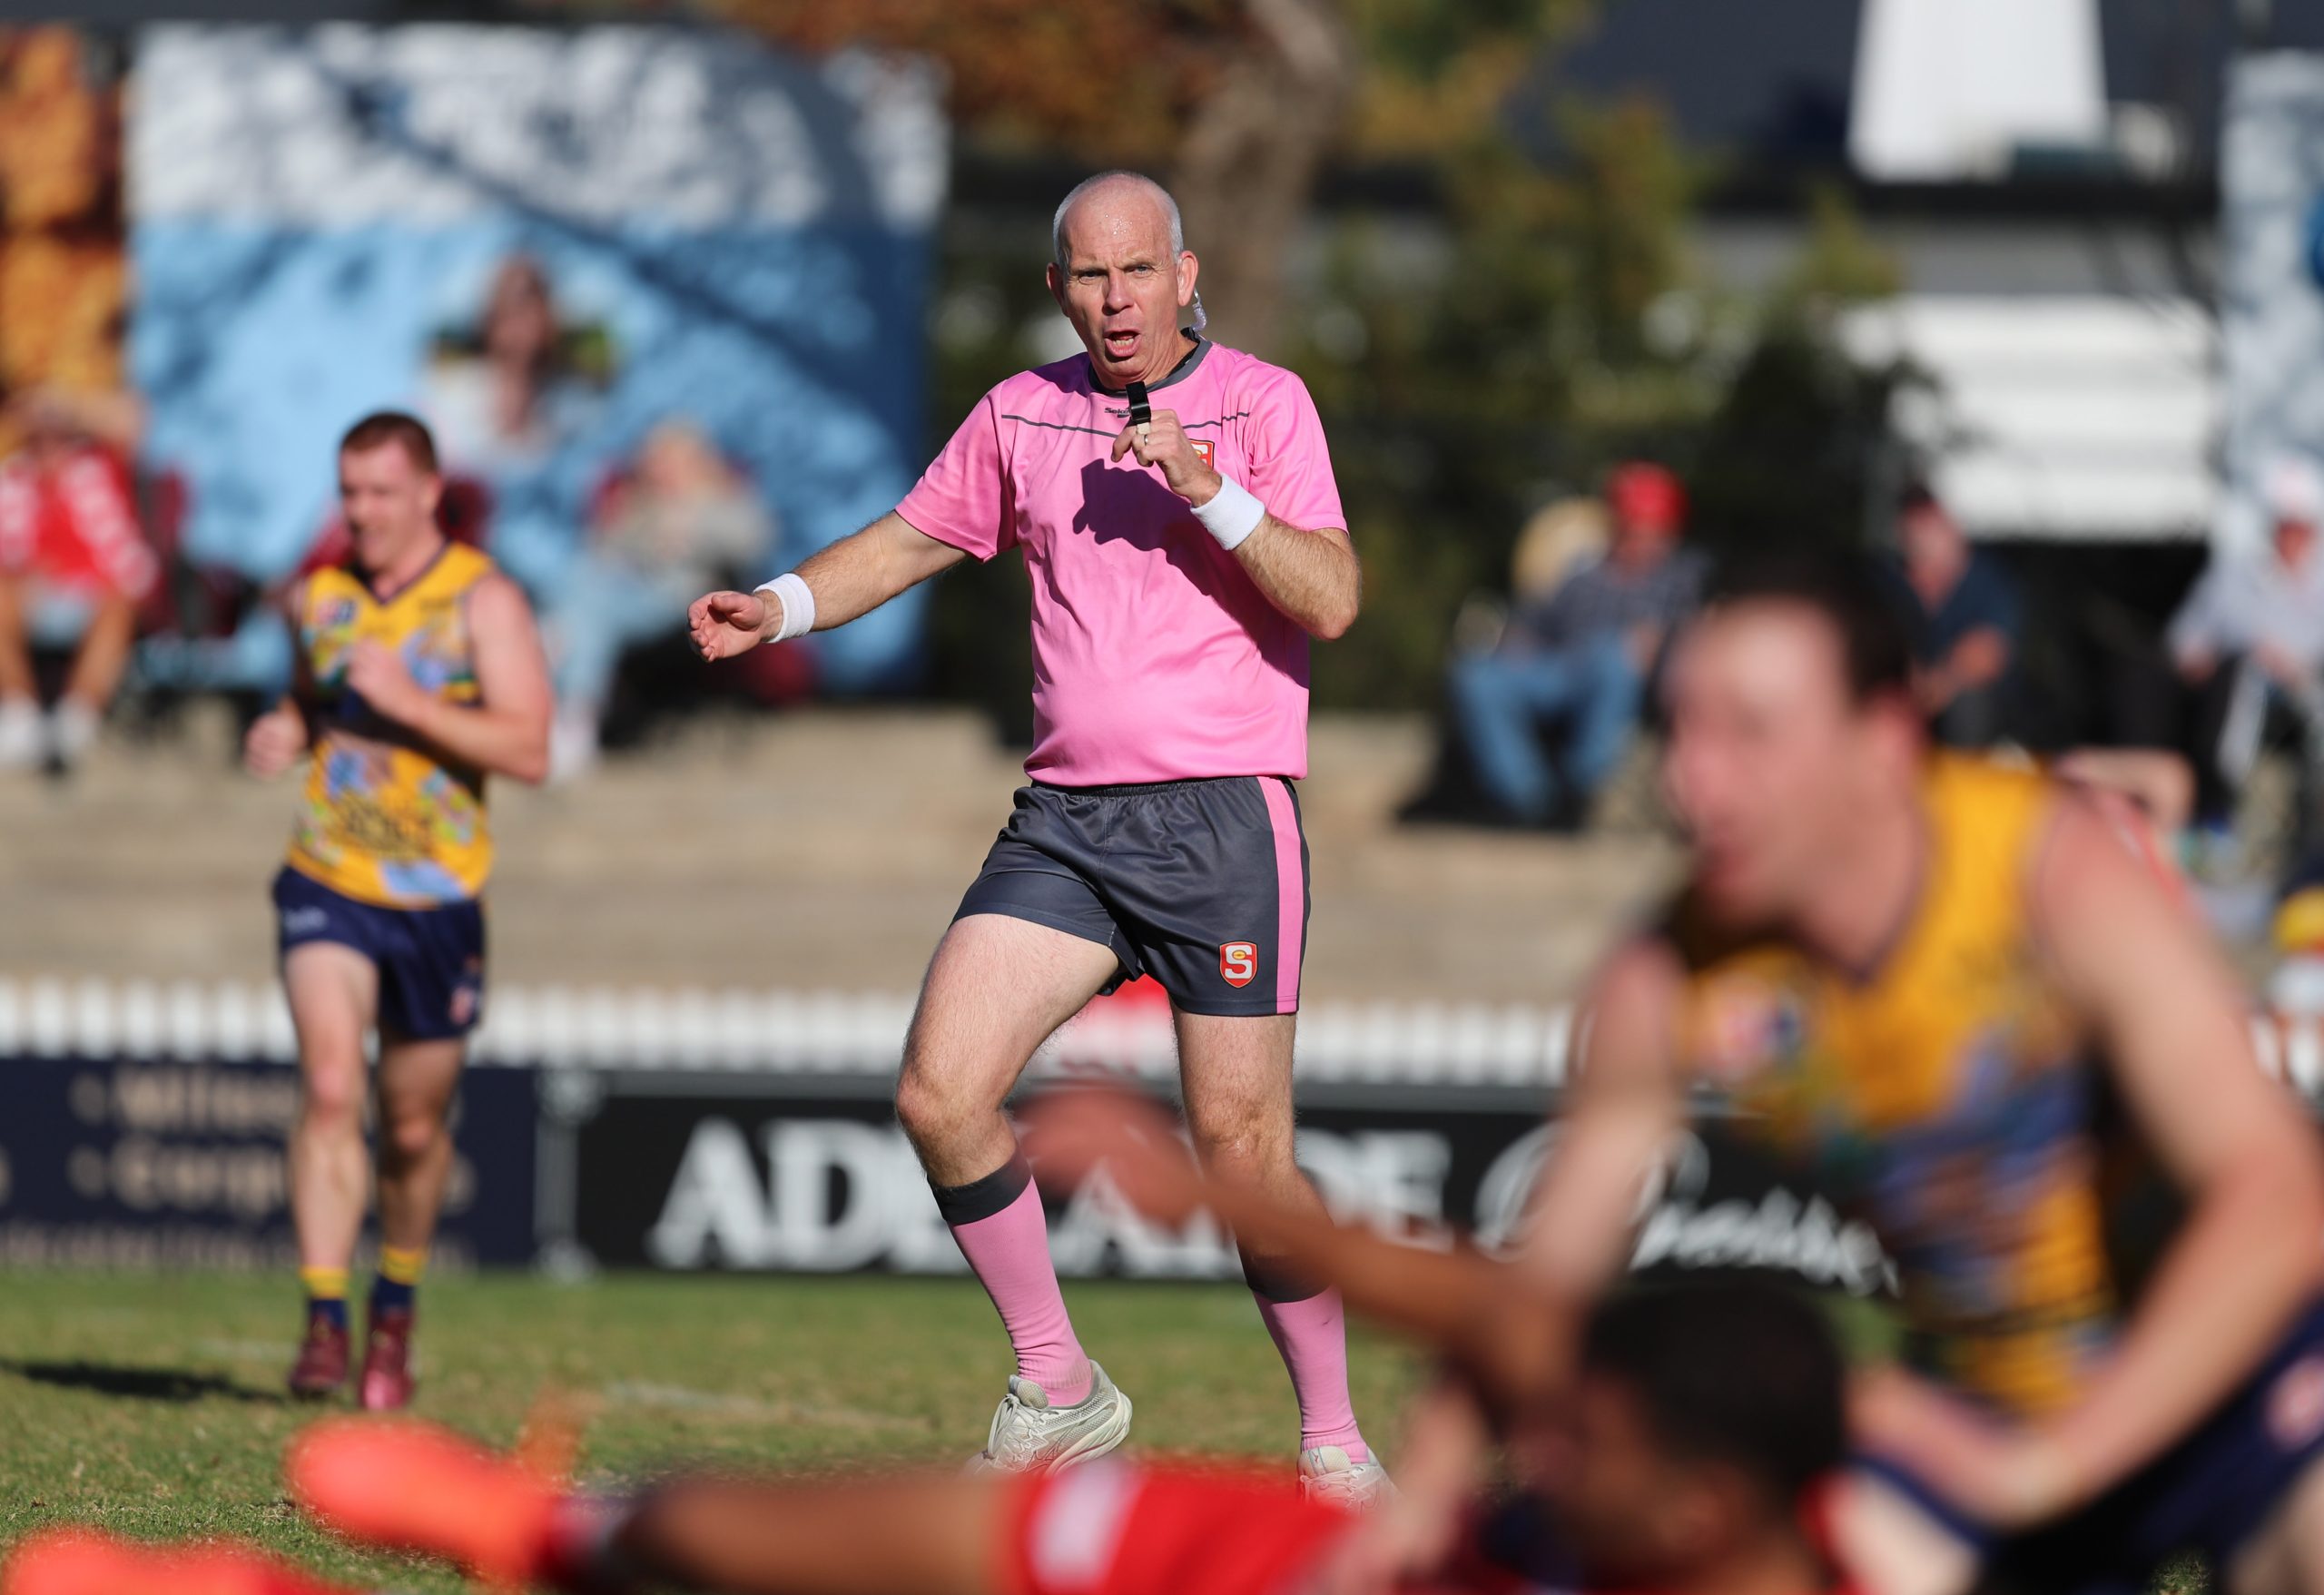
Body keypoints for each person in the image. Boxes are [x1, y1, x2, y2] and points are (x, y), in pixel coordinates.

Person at [685, 170, 1383, 1500]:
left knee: (1243, 1153)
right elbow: (908, 539)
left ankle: (1336, 1444)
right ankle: (1058, 1380)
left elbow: (1334, 598)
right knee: (940, 1092)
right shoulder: (1022, 410)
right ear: (1058, 288)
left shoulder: (1263, 402)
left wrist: (1210, 491)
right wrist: (777, 605)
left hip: (1225, 816)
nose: (1115, 301)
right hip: (1067, 823)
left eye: (1138, 272)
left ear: (1186, 276)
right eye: (1088, 276)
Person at [1522, 555, 2324, 1594]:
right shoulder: (1669, 971)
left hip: (2238, 1367)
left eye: (1747, 733)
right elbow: (1535, 1292)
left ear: (1883, 737)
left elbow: (2279, 1196)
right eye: (1675, 727)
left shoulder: (2044, 860)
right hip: (1979, 1412)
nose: (1690, 779)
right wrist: (1432, 1493)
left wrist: (2052, 1464)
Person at [0, 1274, 1855, 1595]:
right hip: (1208, 1549)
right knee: (731, 1535)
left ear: (1694, 1498)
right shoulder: (1846, 1509)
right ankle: (549, 1531)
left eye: (1570, 1444)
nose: (1528, 1457)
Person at [241, 410, 551, 1411]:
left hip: (438, 897)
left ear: (427, 491)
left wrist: (412, 703)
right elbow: (313, 699)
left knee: (412, 1127)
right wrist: (286, 727)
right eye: (348, 492)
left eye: (379, 491)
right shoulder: (319, 599)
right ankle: (325, 1316)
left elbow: (530, 748)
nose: (360, 512)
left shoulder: (483, 599)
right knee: (331, 1084)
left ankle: (395, 1307)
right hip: (328, 875)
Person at [1447, 462, 1702, 829]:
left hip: (1621, 677)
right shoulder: (1582, 574)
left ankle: (1579, 791)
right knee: (1477, 676)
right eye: (1631, 530)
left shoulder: (1685, 580)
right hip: (1561, 669)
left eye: (1651, 533)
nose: (1640, 542)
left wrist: (1661, 644)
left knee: (1618, 658)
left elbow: (1700, 641)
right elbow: (1532, 625)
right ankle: (1527, 800)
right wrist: (1516, 642)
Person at [546, 419, 773, 780]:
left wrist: (692, 529)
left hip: (684, 604)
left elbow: (753, 544)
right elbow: (602, 552)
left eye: (671, 462)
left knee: (585, 615)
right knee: (582, 587)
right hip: (624, 595)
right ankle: (570, 702)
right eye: (655, 463)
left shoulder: (722, 502)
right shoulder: (638, 506)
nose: (662, 472)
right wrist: (639, 528)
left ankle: (570, 708)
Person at [2167, 456, 2324, 832]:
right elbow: (2186, 641)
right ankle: (2220, 809)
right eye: (2285, 525)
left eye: (2301, 526)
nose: (2292, 536)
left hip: (2311, 693)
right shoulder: (2235, 576)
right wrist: (2221, 658)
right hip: (2244, 695)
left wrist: (2296, 667)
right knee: (2238, 686)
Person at [0, 390, 153, 770]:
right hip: (32, 590)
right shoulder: (14, 475)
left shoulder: (102, 467)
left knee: (117, 602)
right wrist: (24, 411)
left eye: (58, 436)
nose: (49, 446)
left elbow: (134, 421)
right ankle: (20, 714)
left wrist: (67, 406)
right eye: (40, 436)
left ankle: (75, 721)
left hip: (94, 588)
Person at [1890, 482, 2021, 748]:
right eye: (1913, 519)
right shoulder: (1885, 578)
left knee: (1970, 705)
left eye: (1929, 519)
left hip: (1962, 712)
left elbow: (1989, 652)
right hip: (1899, 699)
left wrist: (1942, 683)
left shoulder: (1989, 581)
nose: (1919, 531)